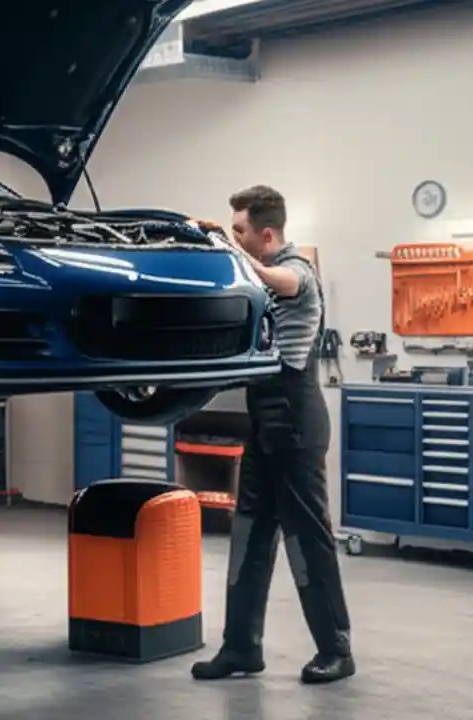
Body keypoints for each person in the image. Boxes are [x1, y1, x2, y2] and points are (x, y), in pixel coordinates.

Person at [190, 185, 355, 685]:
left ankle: (336, 650)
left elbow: (278, 280)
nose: (235, 237)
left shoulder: (297, 269)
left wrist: (231, 248)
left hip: (298, 421)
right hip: (263, 417)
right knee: (249, 535)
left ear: (265, 234)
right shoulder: (256, 274)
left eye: (240, 230)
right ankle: (240, 647)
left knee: (308, 538)